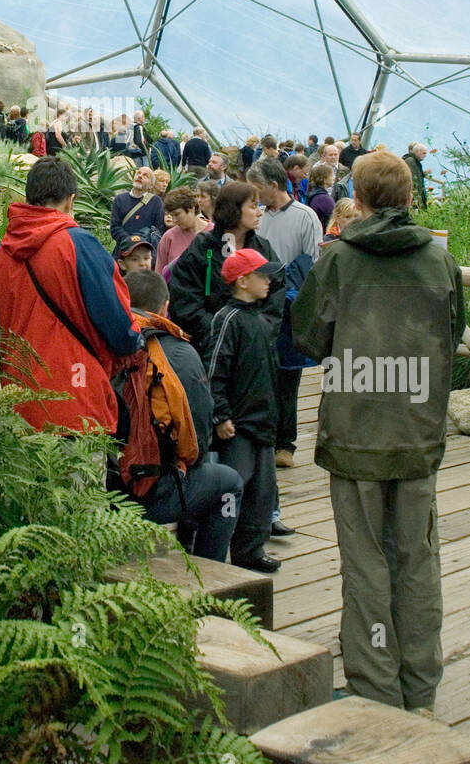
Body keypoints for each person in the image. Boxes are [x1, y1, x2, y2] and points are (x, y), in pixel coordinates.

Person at [291, 150, 465, 715]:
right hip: (417, 434)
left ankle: (375, 689)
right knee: (417, 558)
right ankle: (420, 691)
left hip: (356, 433)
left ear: (357, 201)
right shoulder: (440, 260)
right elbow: (452, 329)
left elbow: (309, 339)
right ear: (410, 198)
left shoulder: (339, 260)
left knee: (366, 561)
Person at [0, 156, 143, 433]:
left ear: (29, 196)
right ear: (70, 200)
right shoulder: (79, 245)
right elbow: (118, 325)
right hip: (78, 403)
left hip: (20, 407)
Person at [125, 269, 244, 565]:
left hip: (104, 486)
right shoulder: (179, 352)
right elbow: (199, 436)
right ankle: (210, 576)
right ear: (165, 306)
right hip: (151, 489)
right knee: (228, 483)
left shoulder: (102, 340)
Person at [204, 250, 284, 573]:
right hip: (237, 425)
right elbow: (213, 371)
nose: (268, 281)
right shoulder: (228, 320)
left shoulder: (261, 320)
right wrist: (221, 416)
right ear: (242, 281)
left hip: (263, 421)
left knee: (262, 493)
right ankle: (216, 553)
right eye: (261, 275)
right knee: (233, 491)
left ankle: (250, 550)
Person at [246, 156, 322, 469]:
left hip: (290, 307)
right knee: (263, 374)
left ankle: (285, 443)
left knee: (288, 377)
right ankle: (264, 437)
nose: (256, 195)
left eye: (258, 188)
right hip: (262, 306)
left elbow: (313, 262)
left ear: (273, 185)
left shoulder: (306, 216)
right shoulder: (260, 217)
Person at [168, 181, 283, 352]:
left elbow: (277, 292)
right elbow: (185, 302)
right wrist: (222, 331)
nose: (259, 213)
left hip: (256, 348)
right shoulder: (201, 249)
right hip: (212, 348)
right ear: (233, 209)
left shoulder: (262, 248)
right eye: (252, 207)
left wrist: (257, 330)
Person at [155, 186, 213, 276]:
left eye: (177, 214)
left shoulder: (215, 233)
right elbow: (159, 277)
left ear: (192, 208)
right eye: (171, 215)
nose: (174, 220)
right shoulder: (169, 237)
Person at [110, 165, 165, 256]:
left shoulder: (156, 202)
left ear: (151, 185)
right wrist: (129, 240)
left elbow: (158, 229)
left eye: (145, 175)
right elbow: (115, 227)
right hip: (123, 251)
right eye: (138, 173)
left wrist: (141, 242)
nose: (140, 176)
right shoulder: (119, 199)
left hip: (146, 252)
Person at [305, 162, 336, 232]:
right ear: (324, 179)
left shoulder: (314, 194)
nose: (334, 178)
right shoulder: (324, 199)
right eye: (332, 175)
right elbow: (333, 221)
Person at [403, 142, 428, 209]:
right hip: (413, 200)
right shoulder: (411, 161)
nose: (425, 155)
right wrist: (416, 200)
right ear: (417, 152)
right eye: (424, 153)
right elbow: (414, 181)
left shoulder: (415, 162)